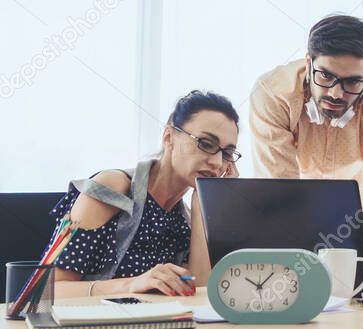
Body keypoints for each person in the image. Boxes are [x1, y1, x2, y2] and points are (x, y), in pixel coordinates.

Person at [47, 90, 241, 298]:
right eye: (205, 144)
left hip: (149, 328)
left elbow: (199, 294)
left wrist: (205, 203)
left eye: (227, 153)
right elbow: (47, 290)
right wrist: (131, 285)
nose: (217, 162)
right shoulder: (112, 189)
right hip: (92, 327)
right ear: (169, 137)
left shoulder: (185, 220)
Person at [249, 14, 363, 236]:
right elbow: (279, 192)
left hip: (361, 211)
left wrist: (345, 250)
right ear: (308, 63)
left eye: (352, 81)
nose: (336, 94)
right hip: (295, 206)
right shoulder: (272, 94)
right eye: (325, 76)